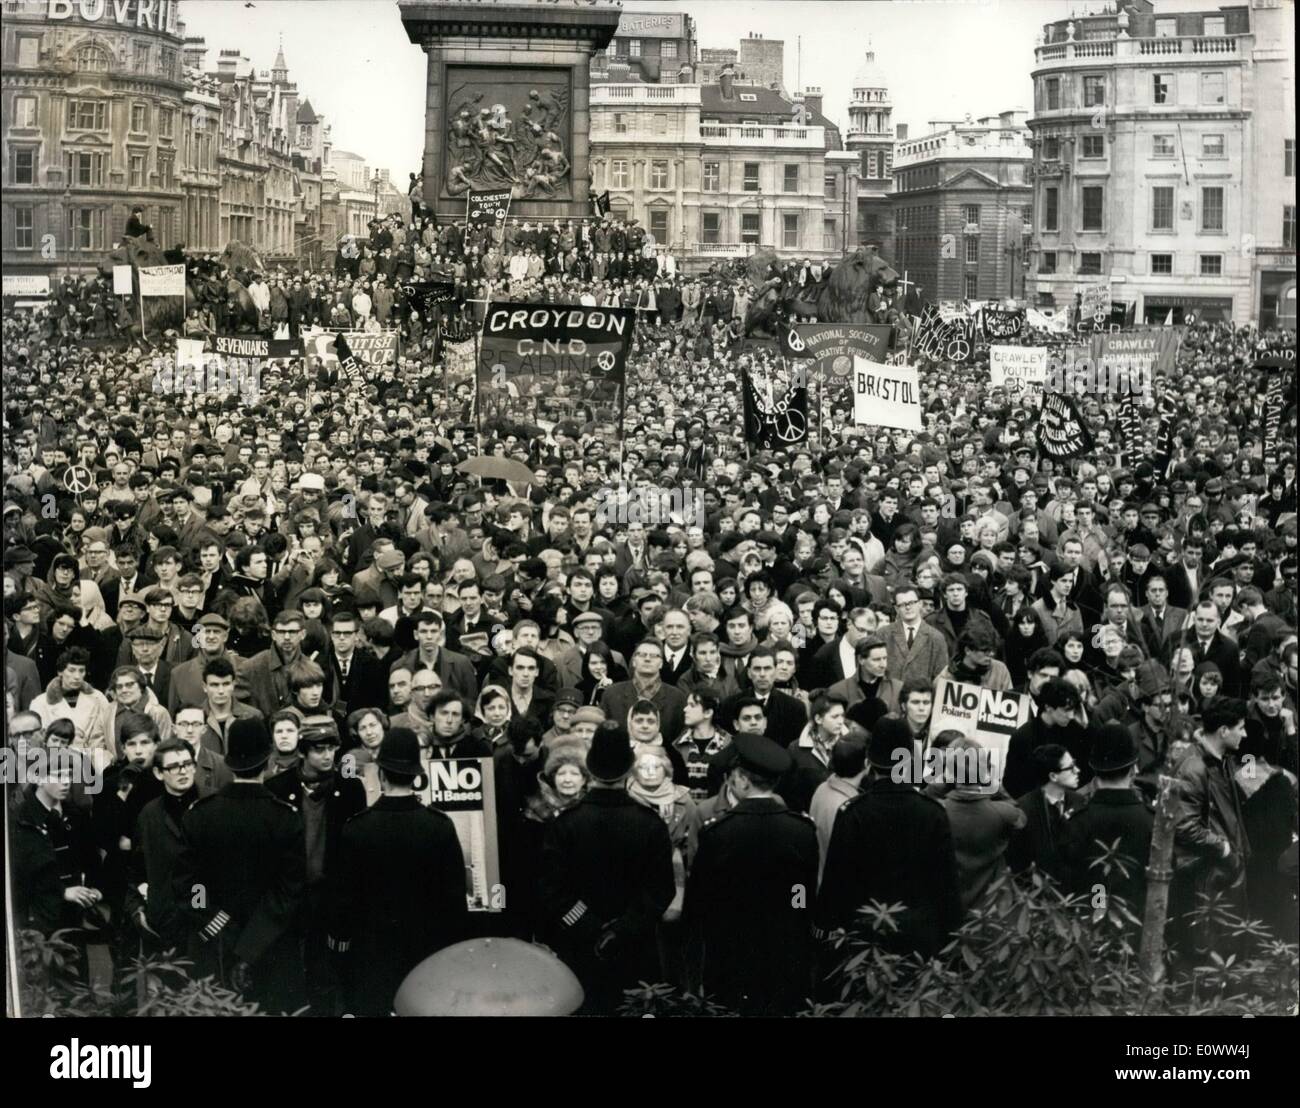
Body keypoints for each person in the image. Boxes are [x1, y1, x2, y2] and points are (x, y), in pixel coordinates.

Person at [327, 727, 468, 1016]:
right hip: (427, 953)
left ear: (380, 774)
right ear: (417, 776)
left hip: (372, 955)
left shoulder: (357, 828)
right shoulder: (439, 826)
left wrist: (341, 948)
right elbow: (455, 900)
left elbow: (343, 901)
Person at [538, 722, 675, 1015]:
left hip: (580, 948)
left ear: (589, 769)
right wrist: (623, 929)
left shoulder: (565, 824)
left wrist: (591, 928)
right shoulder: (650, 823)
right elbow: (661, 890)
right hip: (635, 948)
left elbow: (552, 892)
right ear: (629, 771)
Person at [173, 717, 307, 1013]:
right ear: (268, 757)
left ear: (229, 762)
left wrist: (221, 926)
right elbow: (288, 893)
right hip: (271, 947)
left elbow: (192, 887)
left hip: (217, 948)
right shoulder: (285, 817)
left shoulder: (199, 816)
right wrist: (251, 946)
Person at [683, 733, 819, 1015]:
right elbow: (802, 894)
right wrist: (792, 919)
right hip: (784, 951)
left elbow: (699, 904)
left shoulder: (718, 832)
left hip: (730, 953)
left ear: (742, 779)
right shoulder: (801, 831)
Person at [816, 719, 963, 959]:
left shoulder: (854, 813)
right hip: (920, 942)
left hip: (866, 940)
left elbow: (836, 883)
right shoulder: (933, 813)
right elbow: (947, 886)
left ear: (869, 762)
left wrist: (824, 931)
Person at [265, 721, 366, 1015]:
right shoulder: (277, 788)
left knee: (328, 971)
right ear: (303, 752)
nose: (327, 755)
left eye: (332, 748)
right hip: (291, 895)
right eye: (319, 749)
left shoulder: (349, 789)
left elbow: (353, 850)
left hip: (330, 894)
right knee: (290, 973)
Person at [1170, 697, 1251, 956]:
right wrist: (1224, 848)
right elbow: (1185, 826)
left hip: (1222, 873)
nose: (1245, 733)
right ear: (1223, 731)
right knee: (1208, 951)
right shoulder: (1194, 767)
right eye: (1240, 727)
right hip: (1206, 875)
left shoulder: (1220, 759)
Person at [1062, 724, 1154, 922]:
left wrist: (1099, 911)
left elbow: (1070, 879)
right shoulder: (1150, 820)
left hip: (1087, 926)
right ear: (1133, 769)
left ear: (1094, 768)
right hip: (1137, 926)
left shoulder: (1077, 819)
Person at [1008, 743, 1084, 885]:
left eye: (1075, 764)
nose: (1078, 770)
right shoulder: (1023, 809)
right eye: (1071, 767)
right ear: (1053, 776)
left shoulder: (1081, 802)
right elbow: (1017, 865)